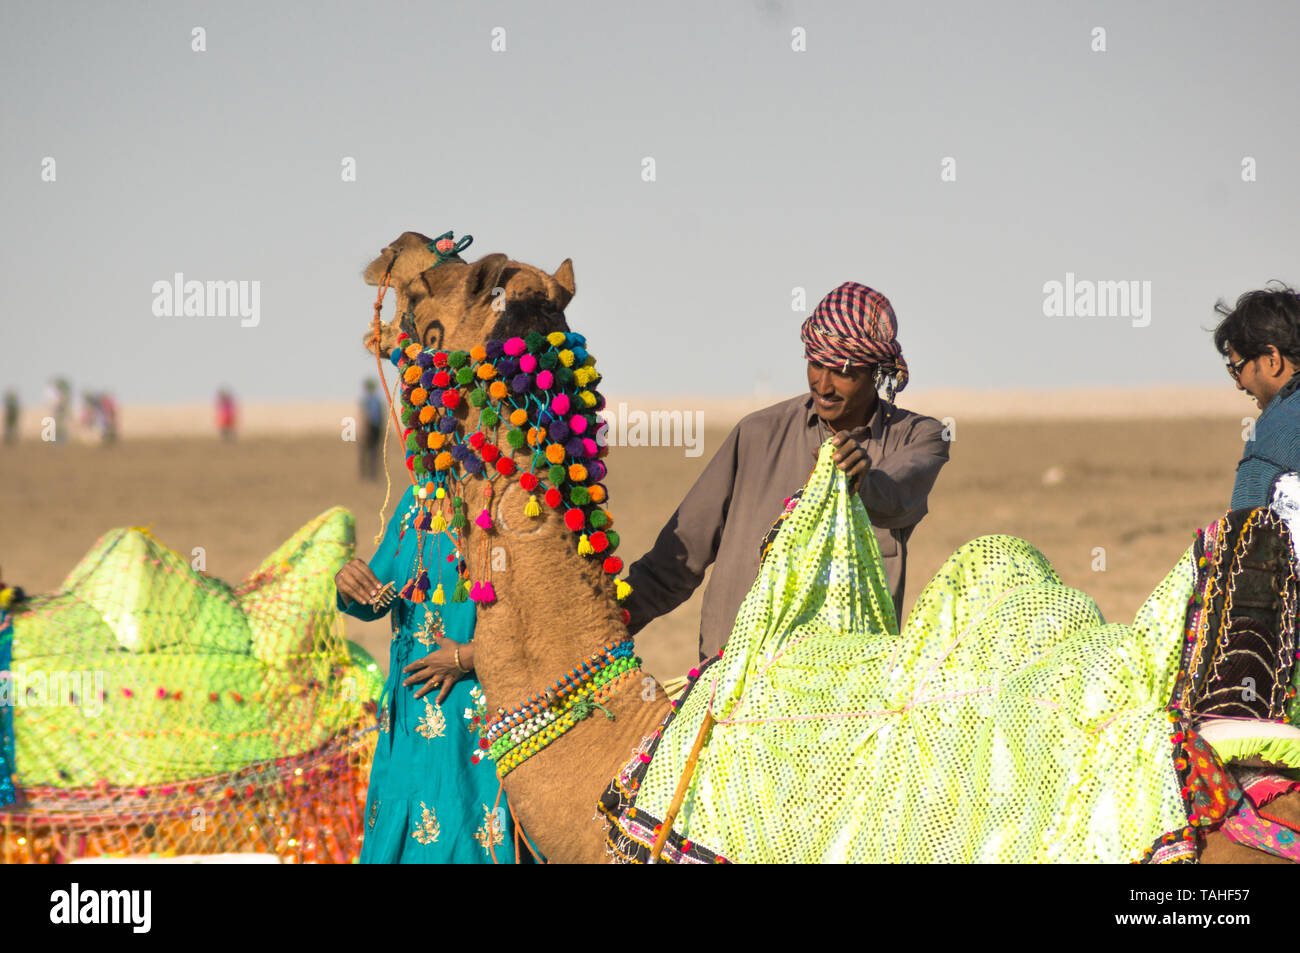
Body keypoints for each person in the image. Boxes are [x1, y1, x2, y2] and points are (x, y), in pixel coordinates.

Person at [623, 281, 951, 661]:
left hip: (841, 688)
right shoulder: (757, 433)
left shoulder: (918, 437)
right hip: (731, 678)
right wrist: (608, 622)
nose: (822, 384)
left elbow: (897, 493)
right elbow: (674, 562)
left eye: (842, 371)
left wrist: (863, 482)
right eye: (815, 363)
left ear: (875, 372)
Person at [334, 482, 522, 863]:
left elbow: (543, 619)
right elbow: (379, 591)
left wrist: (468, 656)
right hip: (408, 720)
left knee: (470, 837)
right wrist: (352, 585)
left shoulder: (514, 496)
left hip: (477, 721)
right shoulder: (418, 497)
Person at [1214, 284, 1300, 510]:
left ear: (1272, 359)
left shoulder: (1272, 436)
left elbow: (1245, 535)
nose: (1239, 384)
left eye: (1237, 368)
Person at [359, 379, 384, 481]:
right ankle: (369, 474)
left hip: (369, 429)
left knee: (367, 452)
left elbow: (362, 415)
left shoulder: (367, 400)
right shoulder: (376, 401)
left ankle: (367, 474)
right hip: (374, 428)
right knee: (372, 452)